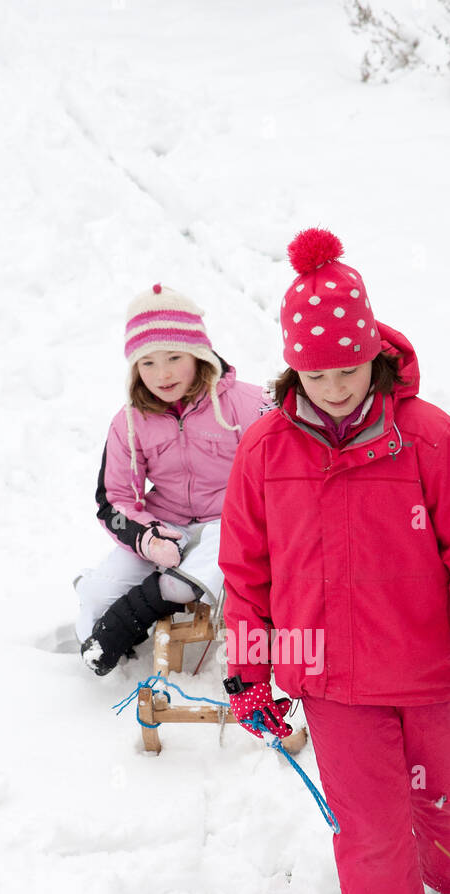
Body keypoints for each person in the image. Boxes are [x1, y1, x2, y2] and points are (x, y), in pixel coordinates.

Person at [218, 228, 450, 894]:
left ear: (375, 355)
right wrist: (249, 672)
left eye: (348, 368)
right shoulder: (262, 452)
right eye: (315, 372)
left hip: (429, 673)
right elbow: (245, 574)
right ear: (293, 367)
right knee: (369, 830)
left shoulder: (431, 440)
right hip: (331, 684)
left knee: (449, 795)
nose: (333, 387)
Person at [76, 284, 265, 674]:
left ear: (199, 354)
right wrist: (147, 536)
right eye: (147, 363)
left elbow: (278, 477)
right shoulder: (128, 422)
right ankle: (99, 653)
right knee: (97, 597)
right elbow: (114, 498)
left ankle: (138, 611)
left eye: (174, 357)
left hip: (229, 521)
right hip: (168, 524)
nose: (161, 374)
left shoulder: (248, 406)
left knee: (189, 579)